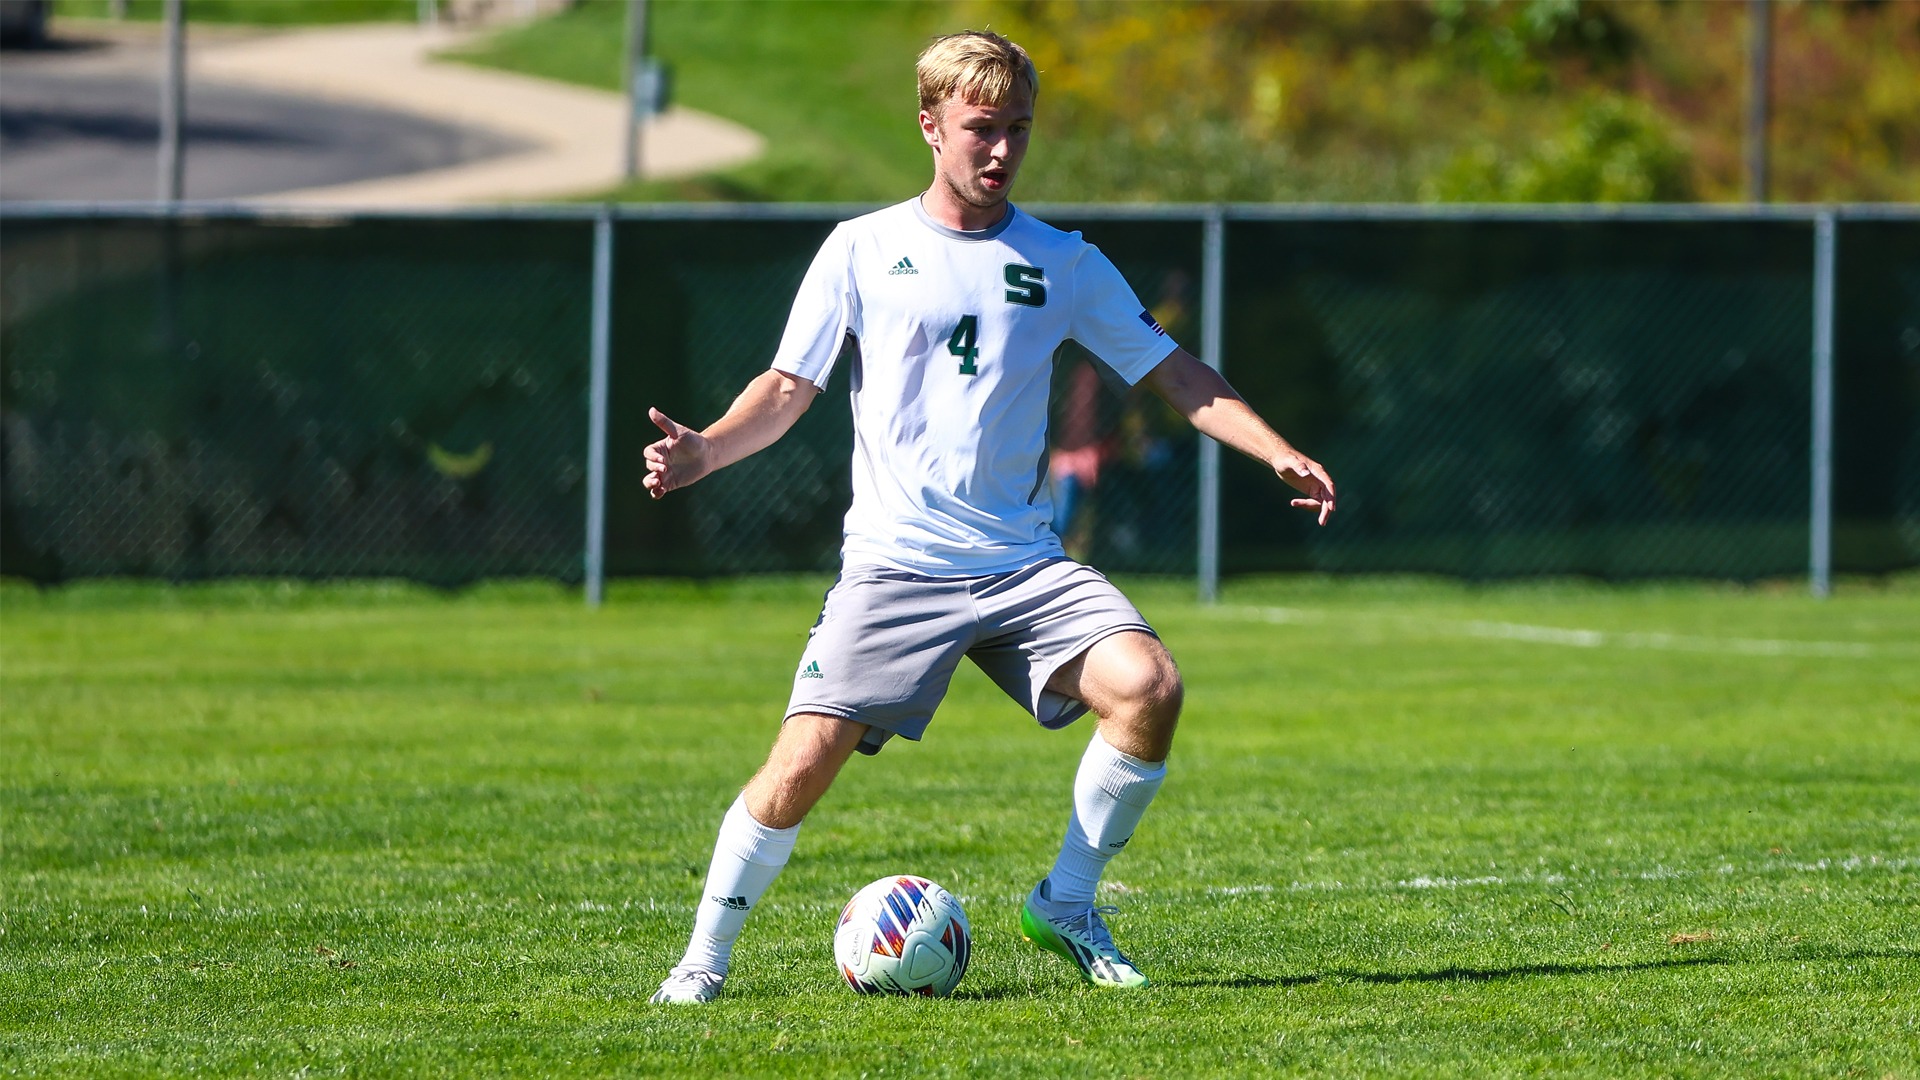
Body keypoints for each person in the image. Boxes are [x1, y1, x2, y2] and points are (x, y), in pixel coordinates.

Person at [644, 30, 1335, 1004]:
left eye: (1018, 129)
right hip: (896, 564)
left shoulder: (1063, 262)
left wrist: (1275, 448)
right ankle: (702, 961)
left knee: (1149, 685)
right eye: (981, 128)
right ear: (929, 125)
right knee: (799, 765)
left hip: (1022, 564)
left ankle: (1067, 903)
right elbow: (789, 386)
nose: (1002, 149)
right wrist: (707, 450)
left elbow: (1176, 373)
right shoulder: (863, 249)